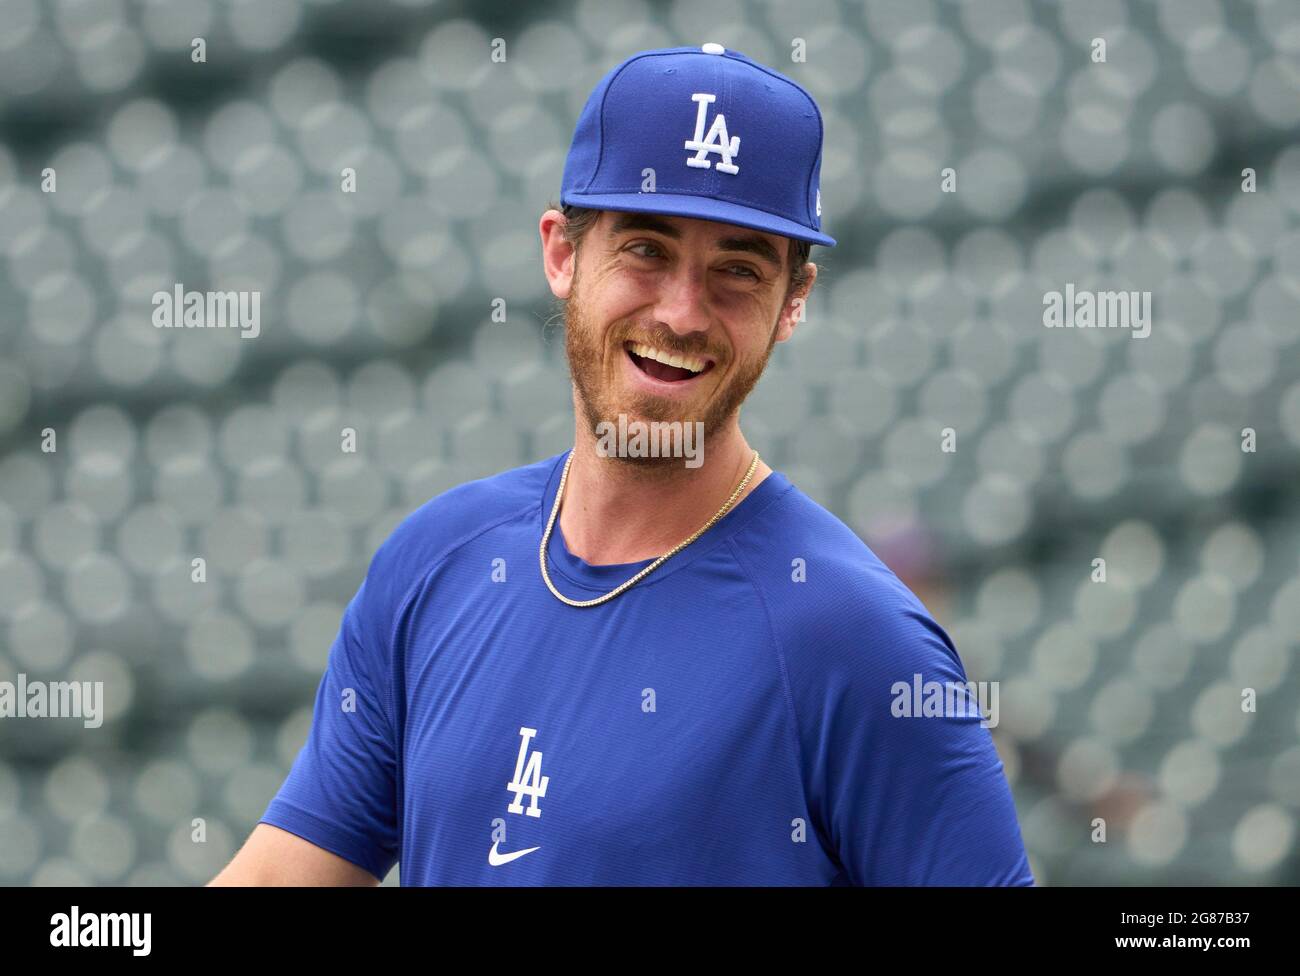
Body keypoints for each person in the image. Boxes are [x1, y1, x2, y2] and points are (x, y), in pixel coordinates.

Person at [211, 44, 1033, 886]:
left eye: (739, 271)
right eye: (646, 248)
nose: (682, 312)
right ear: (562, 253)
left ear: (794, 303)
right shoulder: (437, 561)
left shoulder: (853, 638)